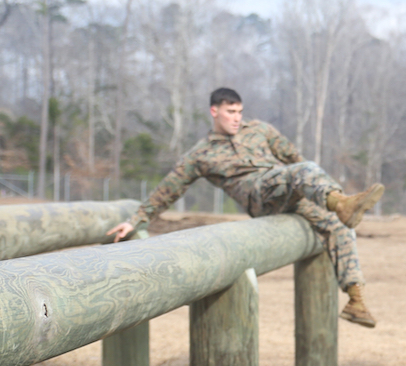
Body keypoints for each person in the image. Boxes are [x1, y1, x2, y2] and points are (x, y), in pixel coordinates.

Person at [107, 87, 384, 327]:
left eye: (239, 111)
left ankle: (355, 299)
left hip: (290, 190)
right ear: (214, 111)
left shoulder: (260, 130)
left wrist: (314, 190)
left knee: (337, 224)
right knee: (303, 171)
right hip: (259, 196)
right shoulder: (200, 154)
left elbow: (294, 157)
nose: (237, 117)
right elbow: (168, 190)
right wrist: (136, 219)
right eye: (230, 111)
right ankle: (342, 203)